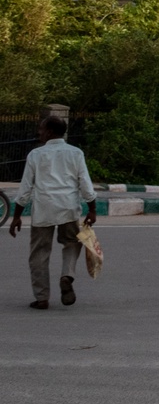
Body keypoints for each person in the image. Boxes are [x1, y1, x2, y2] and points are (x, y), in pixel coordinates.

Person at [8, 114, 96, 310]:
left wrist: (16, 217)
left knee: (39, 253)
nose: (38, 132)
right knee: (72, 242)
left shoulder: (35, 155)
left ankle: (42, 298)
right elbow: (85, 184)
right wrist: (92, 209)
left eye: (41, 129)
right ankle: (67, 275)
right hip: (68, 207)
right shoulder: (76, 153)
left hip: (43, 210)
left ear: (49, 131)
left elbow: (25, 189)